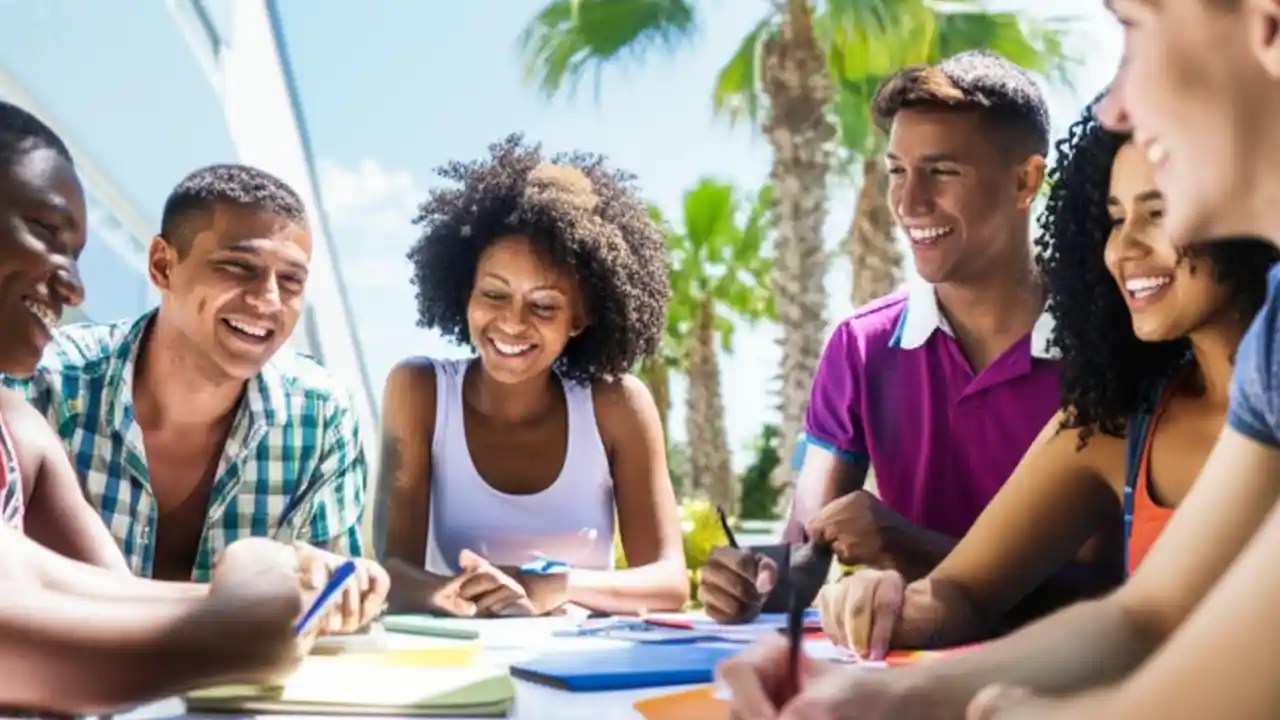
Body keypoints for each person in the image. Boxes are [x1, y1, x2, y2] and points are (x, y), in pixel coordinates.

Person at [718, 3, 1280, 716]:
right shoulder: (1240, 367)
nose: (1116, 104)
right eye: (1114, 219)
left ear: (1268, 27)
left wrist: (1006, 710)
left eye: (1138, 31)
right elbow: (1150, 615)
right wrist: (886, 694)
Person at [815, 106, 1277, 658]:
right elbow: (962, 590)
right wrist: (890, 604)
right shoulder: (1111, 424)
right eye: (1114, 220)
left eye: (1158, 213)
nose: (1123, 250)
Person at [699, 50, 1096, 626]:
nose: (909, 204)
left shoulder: (1104, 347)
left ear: (1024, 180)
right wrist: (749, 583)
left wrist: (912, 546)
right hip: (913, 668)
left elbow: (1120, 589)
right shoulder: (860, 347)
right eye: (897, 171)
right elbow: (800, 563)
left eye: (942, 172)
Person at [0, 98, 315, 716]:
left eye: (78, 254)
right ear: (163, 266)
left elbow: (103, 599)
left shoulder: (18, 432)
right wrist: (250, 589)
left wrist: (284, 588)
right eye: (44, 230)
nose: (75, 287)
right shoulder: (45, 400)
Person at [1, 161, 387, 630]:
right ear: (163, 265)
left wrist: (350, 589)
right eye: (237, 267)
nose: (268, 300)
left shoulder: (321, 417)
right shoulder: (37, 386)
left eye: (291, 280)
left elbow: (328, 608)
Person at [376, 134, 688, 617]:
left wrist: (554, 584)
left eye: (543, 305)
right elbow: (392, 574)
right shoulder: (419, 391)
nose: (513, 323)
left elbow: (668, 583)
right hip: (462, 652)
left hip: (586, 656)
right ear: (465, 294)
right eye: (494, 295)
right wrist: (461, 595)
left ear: (580, 319)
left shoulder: (616, 405)